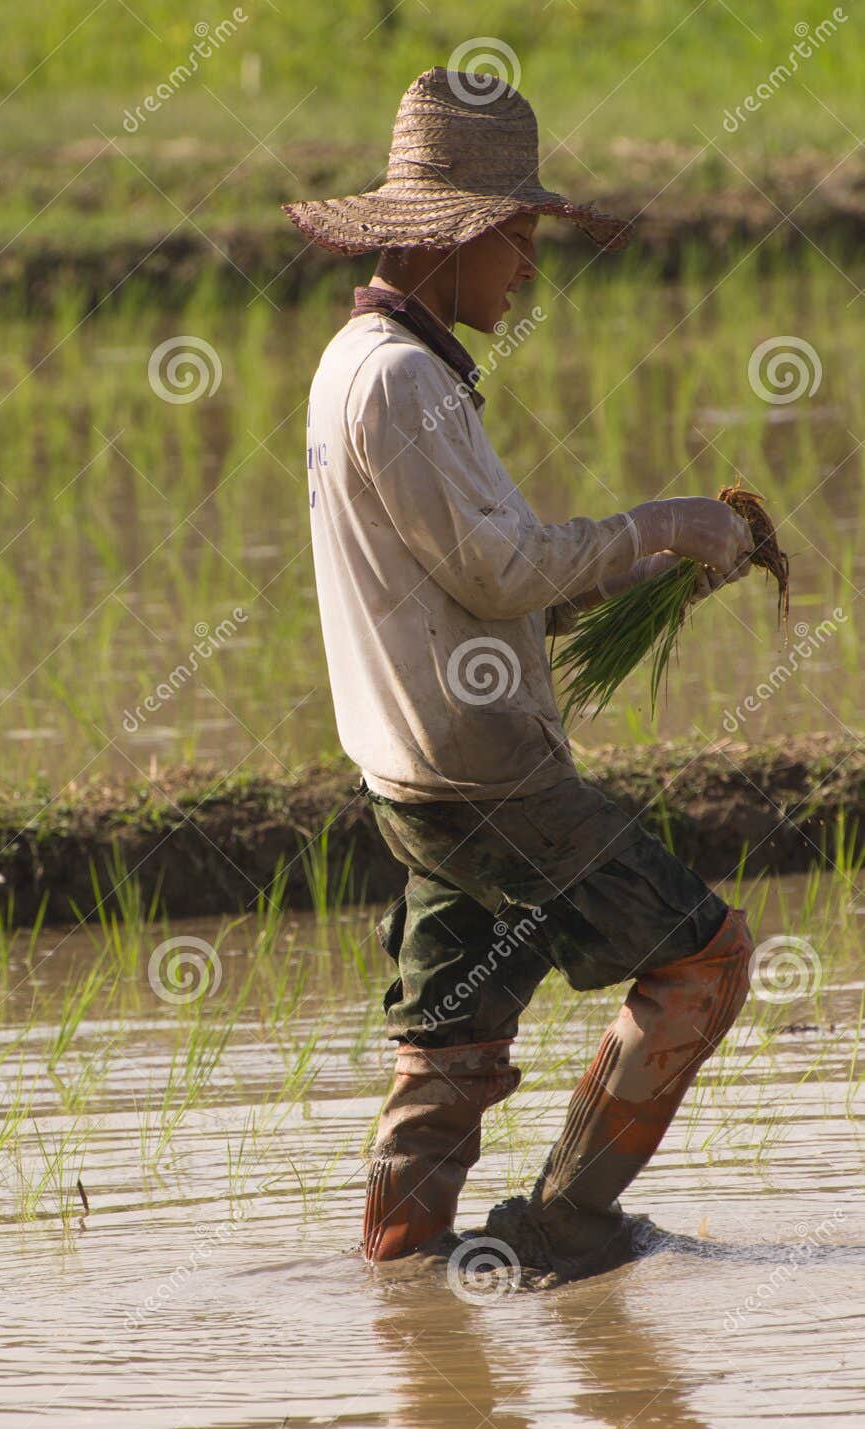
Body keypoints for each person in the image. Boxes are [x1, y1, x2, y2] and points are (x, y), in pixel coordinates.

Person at [284, 68, 755, 1281]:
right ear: (464, 238)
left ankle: (405, 1289)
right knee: (702, 958)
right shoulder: (399, 378)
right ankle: (563, 1219)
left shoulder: (370, 363)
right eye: (521, 237)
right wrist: (654, 526)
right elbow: (499, 572)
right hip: (485, 773)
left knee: (449, 1046)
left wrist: (643, 575)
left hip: (417, 769)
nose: (529, 267)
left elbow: (474, 585)